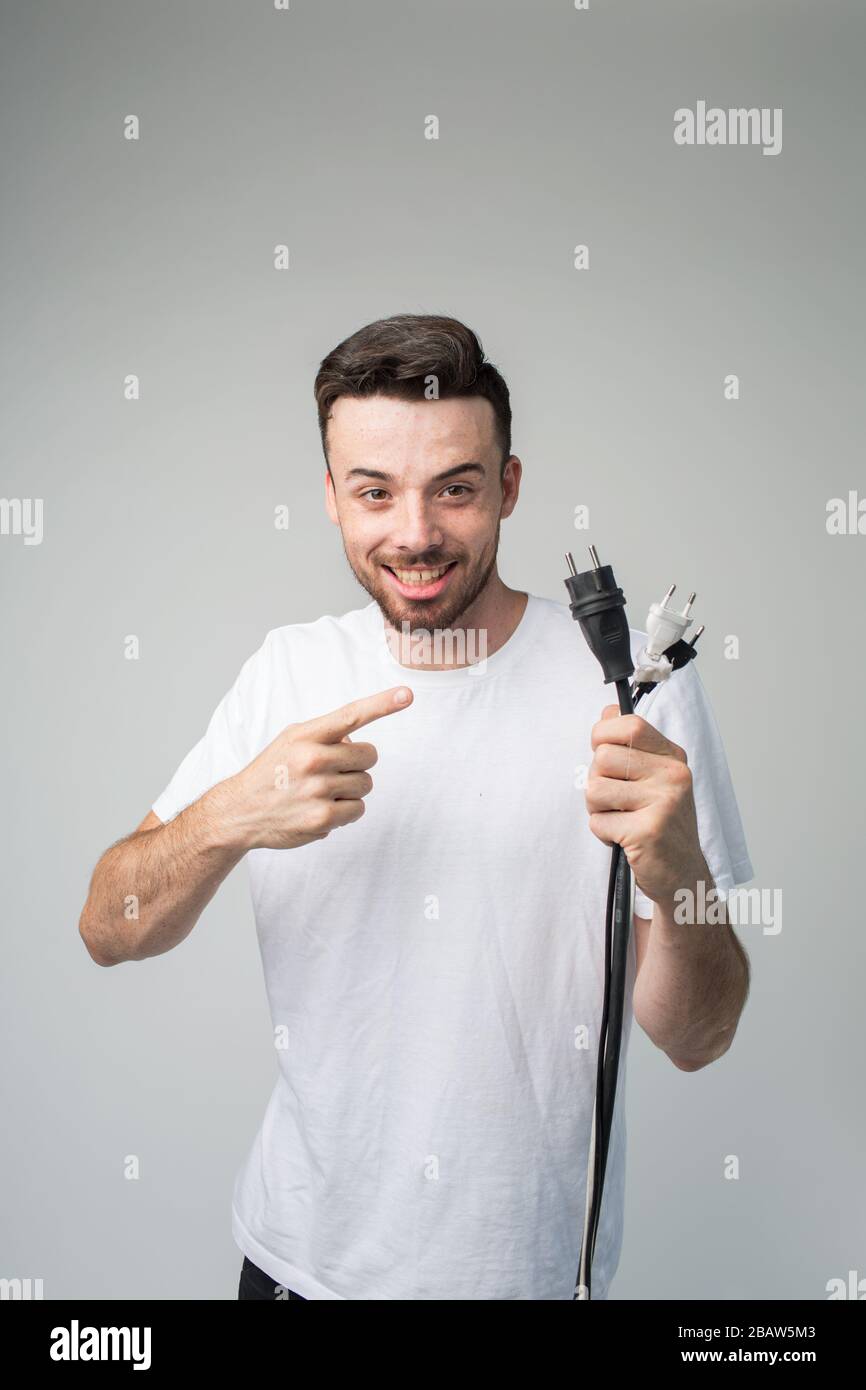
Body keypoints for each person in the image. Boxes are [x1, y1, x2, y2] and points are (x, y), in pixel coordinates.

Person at [78, 313, 754, 1301]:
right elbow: (108, 927)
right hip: (302, 1270)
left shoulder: (629, 691)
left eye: (454, 488)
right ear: (329, 498)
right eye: (373, 492)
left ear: (507, 486)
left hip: (531, 1277)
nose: (415, 533)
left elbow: (697, 1037)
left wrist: (678, 869)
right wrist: (228, 812)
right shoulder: (288, 672)